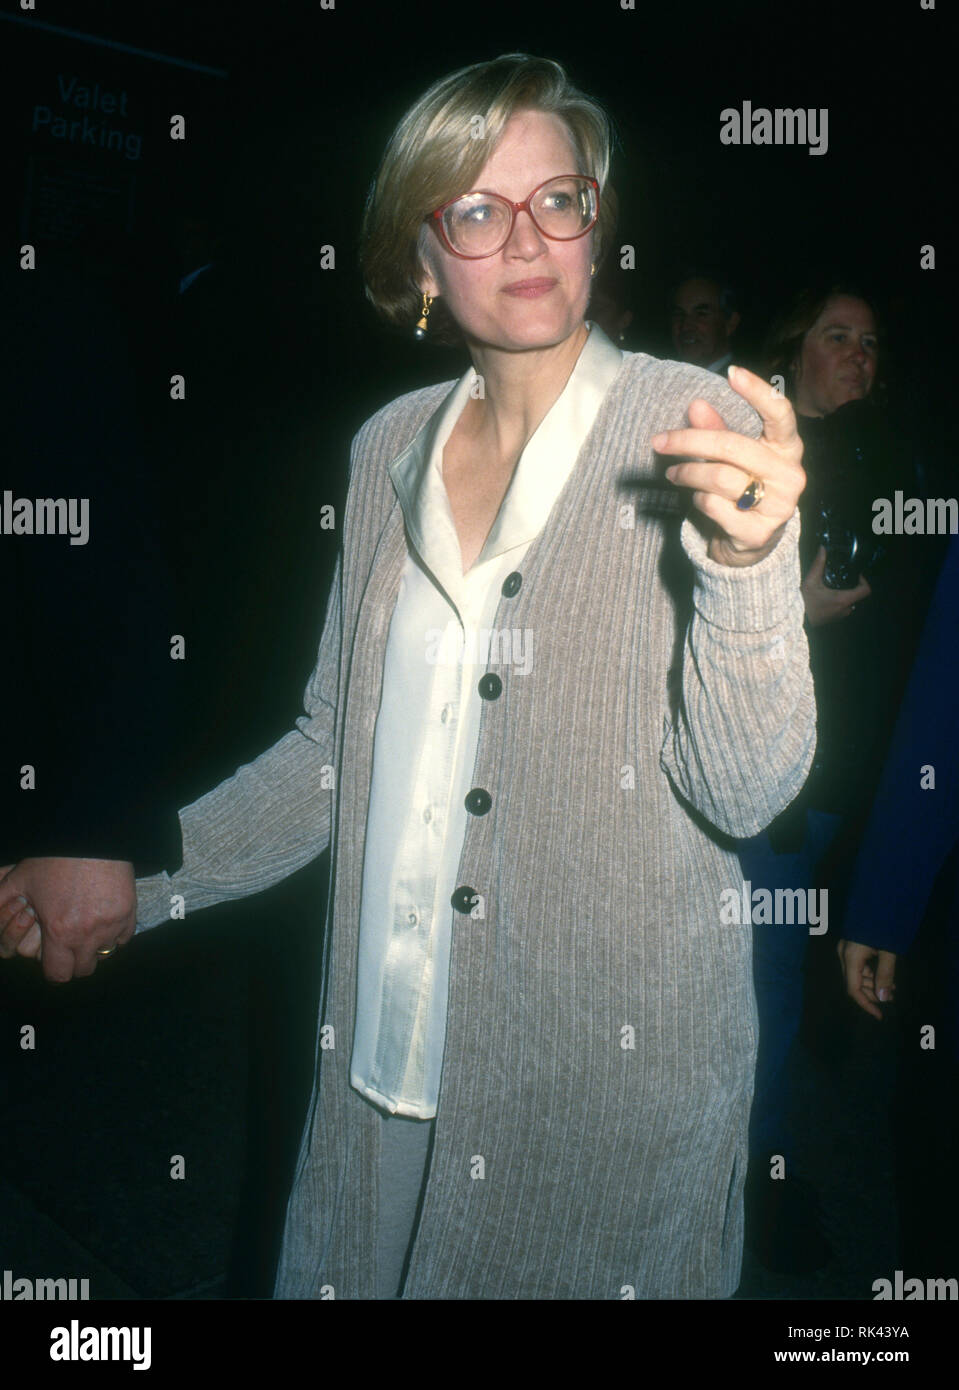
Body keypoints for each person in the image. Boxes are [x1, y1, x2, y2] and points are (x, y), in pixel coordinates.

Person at [1, 53, 814, 1299]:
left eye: (559, 198)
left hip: (593, 1113)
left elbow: (744, 791)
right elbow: (335, 751)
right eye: (474, 211)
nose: (527, 236)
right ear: (416, 265)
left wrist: (747, 566)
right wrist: (130, 870)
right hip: (383, 1067)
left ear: (597, 221)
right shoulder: (386, 444)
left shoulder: (694, 425)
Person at [740, 282, 928, 1272]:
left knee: (791, 988)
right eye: (835, 336)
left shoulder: (870, 456)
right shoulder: (750, 453)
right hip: (761, 787)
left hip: (837, 786)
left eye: (869, 341)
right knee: (762, 991)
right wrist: (789, 614)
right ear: (791, 347)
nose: (856, 355)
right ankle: (751, 1191)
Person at [669, 272, 741, 374]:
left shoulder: (745, 386)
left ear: (731, 323)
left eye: (701, 314)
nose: (685, 326)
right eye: (679, 314)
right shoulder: (664, 378)